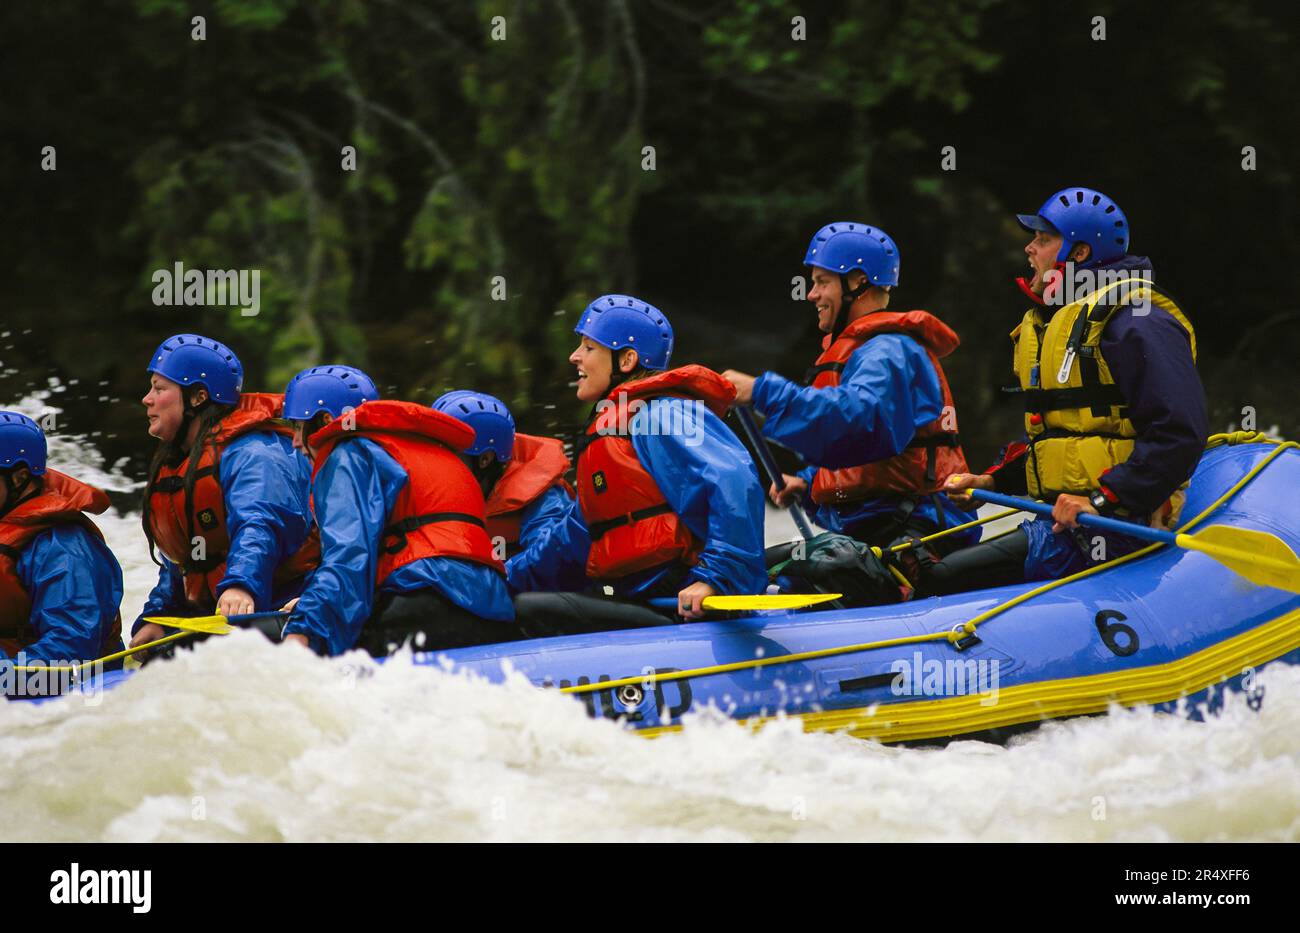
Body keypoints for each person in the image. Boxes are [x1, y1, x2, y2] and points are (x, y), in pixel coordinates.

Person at [930, 187, 1207, 592]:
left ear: (1078, 255)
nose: (1029, 249)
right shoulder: (1062, 320)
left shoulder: (1137, 324)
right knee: (933, 564)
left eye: (1043, 240)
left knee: (943, 578)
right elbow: (1068, 439)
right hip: (1069, 519)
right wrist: (994, 483)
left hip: (1120, 525)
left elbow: (1180, 434)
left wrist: (1102, 501)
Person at [722, 221, 978, 563]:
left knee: (796, 573)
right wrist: (811, 484)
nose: (811, 294)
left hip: (914, 530)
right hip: (873, 526)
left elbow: (858, 422)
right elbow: (870, 457)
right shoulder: (866, 351)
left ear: (857, 282)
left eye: (822, 282)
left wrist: (761, 391)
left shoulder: (888, 352)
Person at [513, 294, 766, 636]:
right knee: (522, 603)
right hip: (634, 597)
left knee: (531, 612)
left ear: (627, 359)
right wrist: (500, 578)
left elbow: (734, 480)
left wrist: (716, 579)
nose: (574, 356)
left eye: (589, 347)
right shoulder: (612, 431)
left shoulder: (661, 414)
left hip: (683, 597)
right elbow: (571, 538)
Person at [278, 366, 518, 656]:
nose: (293, 441)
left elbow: (348, 558)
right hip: (493, 608)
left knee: (314, 643)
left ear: (325, 420)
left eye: (296, 427)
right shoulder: (432, 451)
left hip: (427, 603)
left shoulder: (347, 453)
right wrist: (316, 600)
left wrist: (303, 630)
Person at [129, 334, 318, 651]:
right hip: (222, 606)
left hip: (285, 598)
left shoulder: (255, 453)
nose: (147, 399)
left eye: (159, 389)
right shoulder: (180, 462)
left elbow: (260, 525)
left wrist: (241, 586)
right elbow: (186, 557)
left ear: (198, 397)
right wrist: (159, 615)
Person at [0, 412, 124, 680]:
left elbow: (70, 648)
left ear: (19, 478)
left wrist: (6, 674)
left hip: (58, 688)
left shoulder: (62, 548)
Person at [431, 390, 589, 594]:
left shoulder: (545, 497)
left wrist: (482, 585)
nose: (437, 462)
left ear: (484, 459)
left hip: (540, 606)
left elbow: (552, 563)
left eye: (448, 453)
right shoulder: (434, 490)